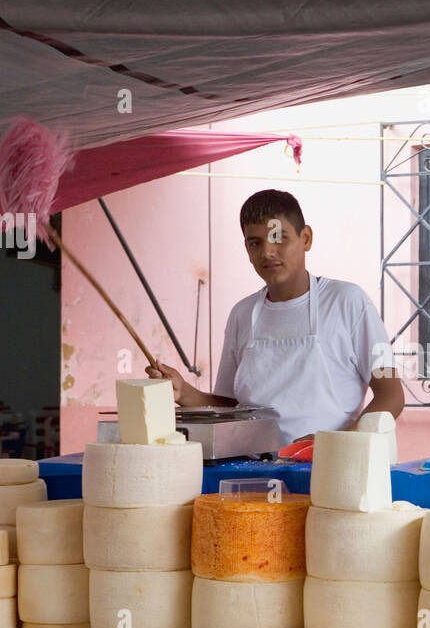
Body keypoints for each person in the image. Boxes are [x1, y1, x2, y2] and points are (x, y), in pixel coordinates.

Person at [149, 189, 403, 444]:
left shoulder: (347, 301)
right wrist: (184, 391)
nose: (268, 252)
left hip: (330, 467)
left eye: (279, 238)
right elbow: (231, 408)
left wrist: (336, 445)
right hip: (255, 463)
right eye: (255, 243)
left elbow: (391, 396)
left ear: (306, 238)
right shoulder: (242, 314)